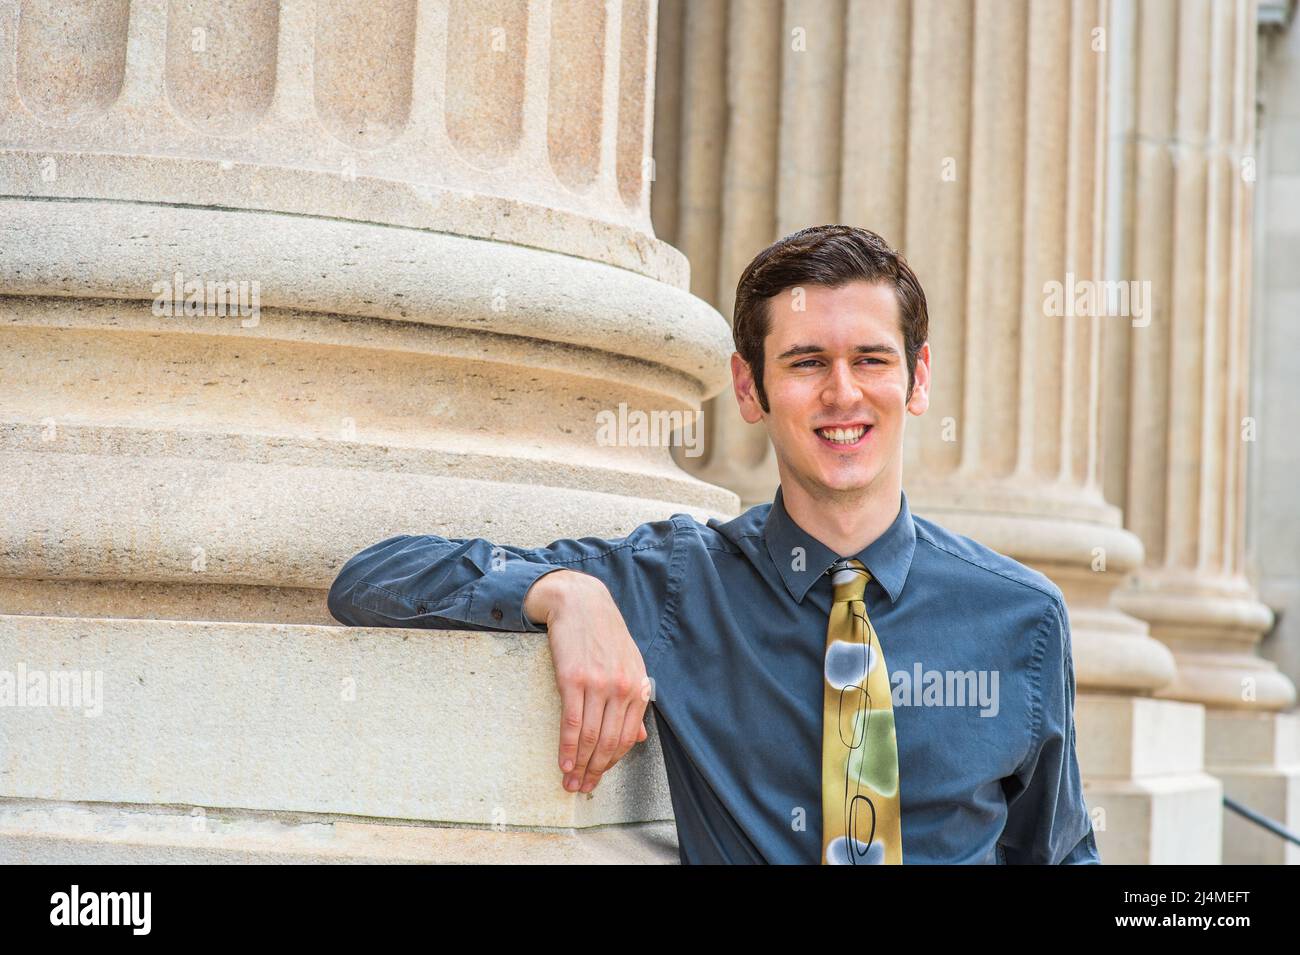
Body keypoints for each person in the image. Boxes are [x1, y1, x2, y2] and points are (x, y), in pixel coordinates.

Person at [327, 224, 1101, 864]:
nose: (842, 392)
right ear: (748, 387)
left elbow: (1061, 853)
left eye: (871, 359)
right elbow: (370, 579)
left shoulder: (1020, 616)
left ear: (917, 378)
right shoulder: (679, 585)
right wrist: (566, 590)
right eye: (805, 363)